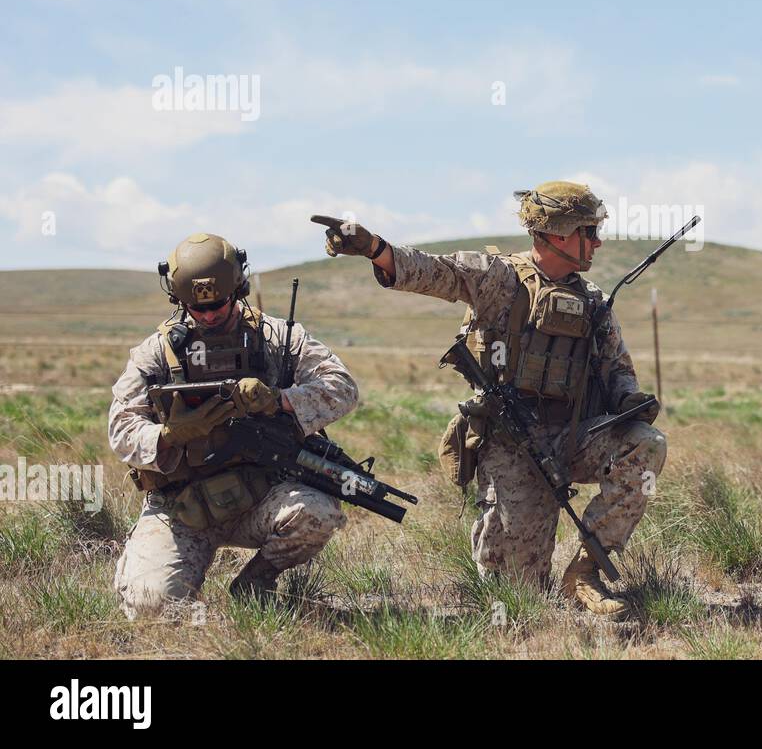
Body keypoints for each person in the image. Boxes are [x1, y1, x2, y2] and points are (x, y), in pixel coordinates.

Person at [312, 182, 665, 617]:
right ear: (558, 235)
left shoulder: (593, 302)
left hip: (574, 437)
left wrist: (633, 400)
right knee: (515, 599)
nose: (597, 241)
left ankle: (585, 572)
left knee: (646, 442)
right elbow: (433, 270)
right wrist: (374, 248)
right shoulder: (498, 279)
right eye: (589, 231)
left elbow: (617, 371)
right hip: (511, 442)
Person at [111, 233, 359, 618]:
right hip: (180, 505)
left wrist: (279, 400)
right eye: (197, 308)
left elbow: (342, 388)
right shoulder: (156, 353)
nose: (209, 316)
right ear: (180, 300)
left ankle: (255, 583)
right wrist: (168, 436)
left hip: (260, 496)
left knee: (317, 511)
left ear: (238, 290)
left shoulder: (277, 338)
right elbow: (121, 430)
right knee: (151, 607)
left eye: (219, 305)